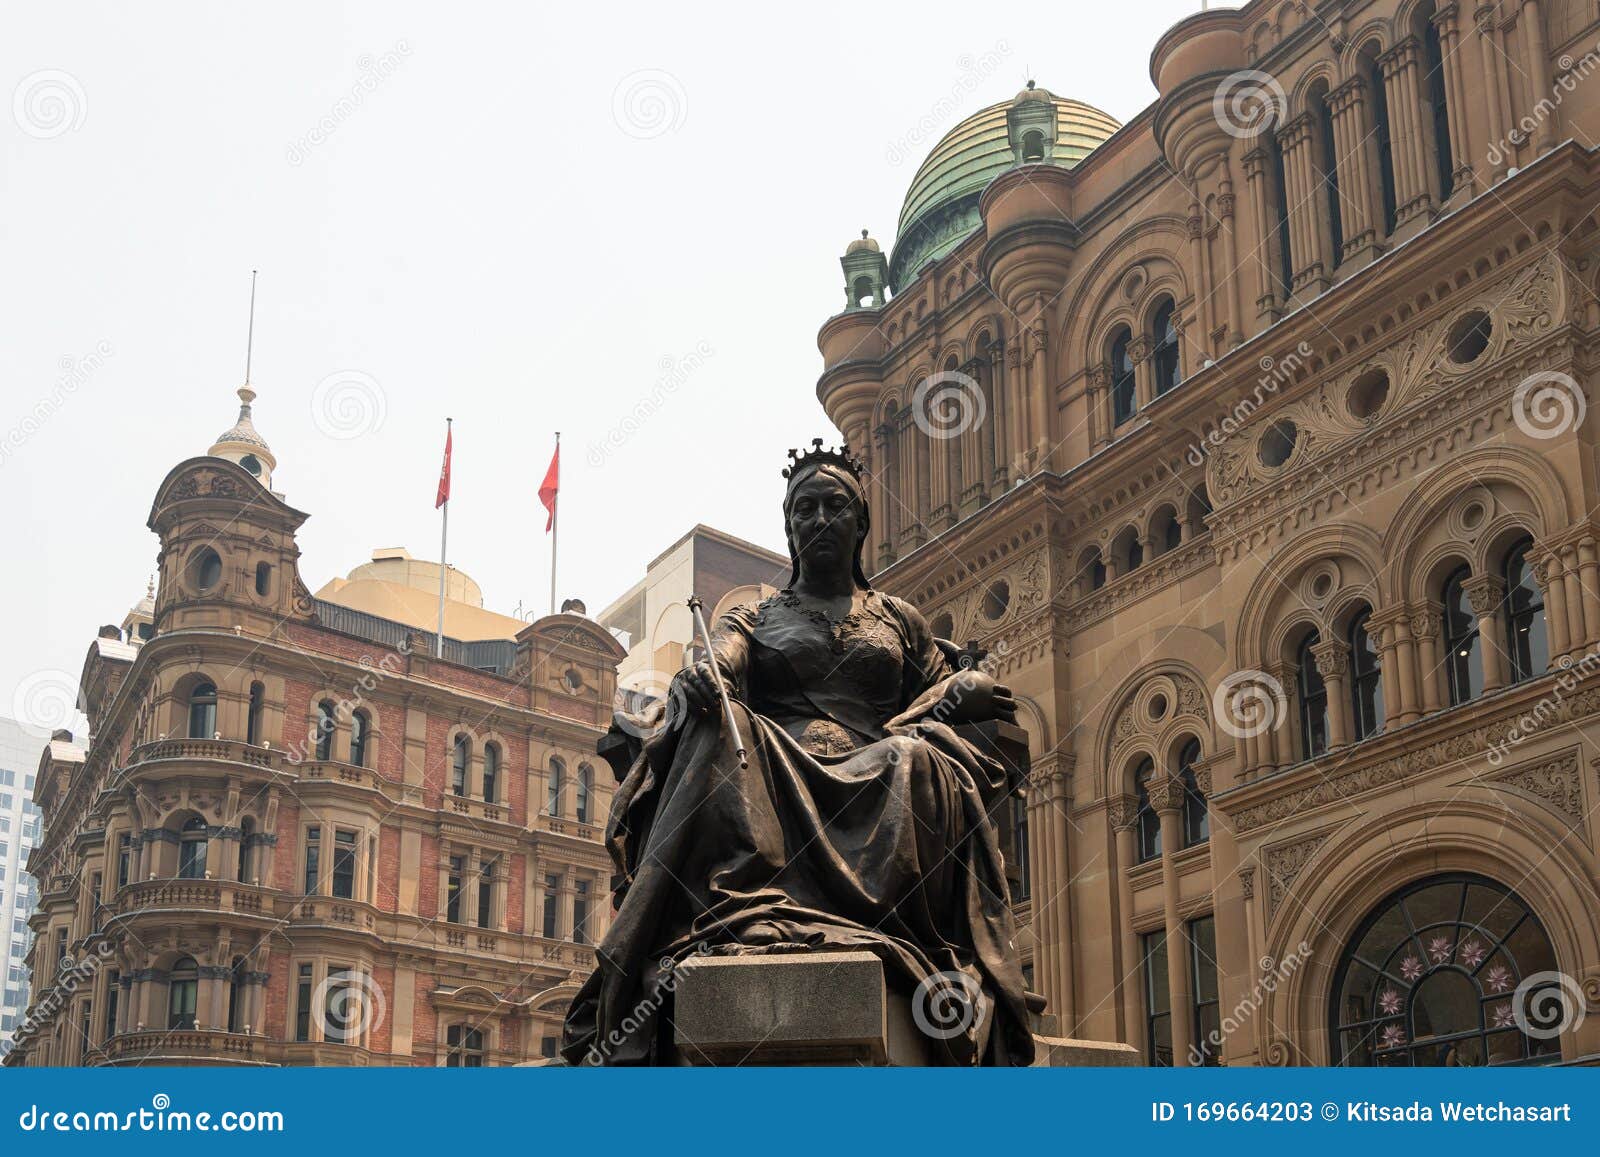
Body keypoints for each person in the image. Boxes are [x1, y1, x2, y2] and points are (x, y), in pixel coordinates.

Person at [563, 442, 1034, 1065]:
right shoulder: (756, 615)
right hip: (775, 768)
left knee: (912, 759)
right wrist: (699, 680)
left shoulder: (899, 618)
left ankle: (860, 916)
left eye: (834, 506)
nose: (818, 519)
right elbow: (720, 660)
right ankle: (747, 906)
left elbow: (940, 686)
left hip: (880, 766)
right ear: (789, 527)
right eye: (804, 509)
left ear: (860, 523)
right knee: (723, 722)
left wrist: (962, 690)